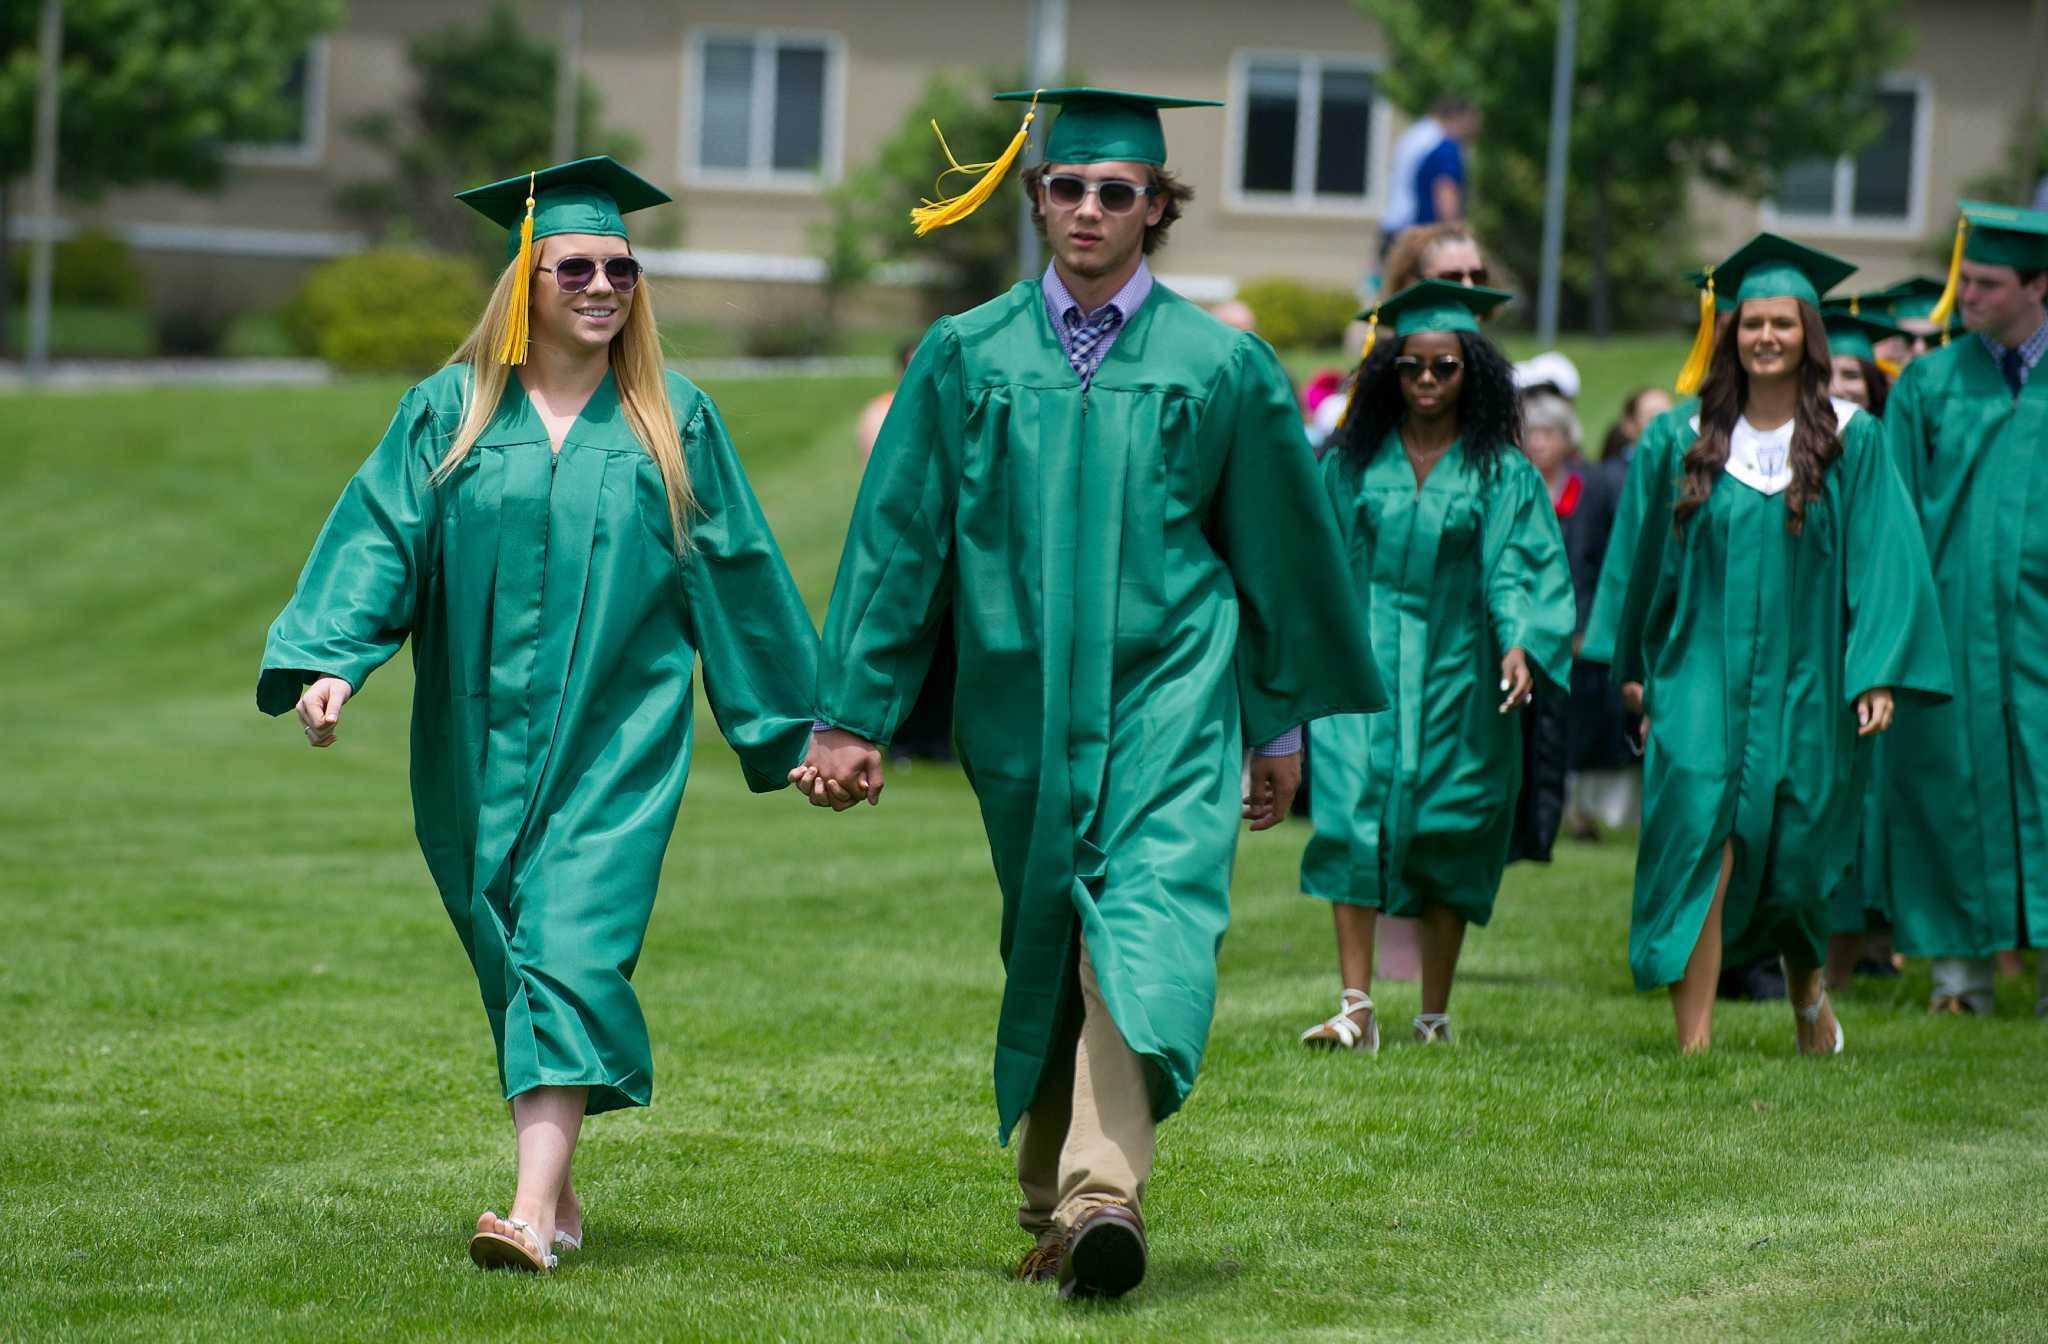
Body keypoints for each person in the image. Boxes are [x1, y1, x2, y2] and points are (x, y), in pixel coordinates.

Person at [793, 88, 1387, 1300]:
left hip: (1170, 694)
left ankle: (1102, 1191)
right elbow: (897, 543)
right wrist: (853, 715)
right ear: (1036, 197)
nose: (1087, 209)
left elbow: (1276, 549)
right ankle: (1050, 1193)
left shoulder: (1218, 365)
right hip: (1017, 705)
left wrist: (1274, 726)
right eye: (1066, 187)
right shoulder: (968, 357)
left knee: (1145, 920)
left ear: (1155, 208)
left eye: (1117, 191)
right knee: (1053, 928)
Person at [256, 157, 819, 1274]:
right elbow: (381, 543)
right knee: (510, 948)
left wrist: (797, 730)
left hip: (618, 741)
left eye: (622, 266)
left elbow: (740, 575)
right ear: (527, 279)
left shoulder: (674, 419)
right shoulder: (447, 412)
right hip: (471, 743)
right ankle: (557, 1193)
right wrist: (334, 661)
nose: (603, 284)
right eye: (576, 267)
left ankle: (522, 1216)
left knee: (570, 944)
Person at [1603, 233, 1951, 1054]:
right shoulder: (1679, 440)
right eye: (1751, 322)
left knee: (1796, 860)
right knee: (1700, 837)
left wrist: (1876, 673)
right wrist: (1635, 675)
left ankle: (1806, 997)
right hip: (1697, 678)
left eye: (1783, 325)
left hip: (1808, 678)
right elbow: (1639, 566)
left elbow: (1885, 560)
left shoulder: (1853, 438)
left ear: (1808, 337)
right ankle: (1694, 1046)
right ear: (1729, 333)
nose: (1765, 337)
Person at [1298, 281, 1573, 1051]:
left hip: (1461, 669)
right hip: (1365, 672)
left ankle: (1433, 1013)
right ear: (1388, 370)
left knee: (1447, 827)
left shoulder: (1503, 472)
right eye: (1411, 366)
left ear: (1472, 372)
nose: (1425, 380)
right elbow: (1316, 561)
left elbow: (1521, 565)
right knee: (1351, 820)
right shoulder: (1352, 464)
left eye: (1444, 367)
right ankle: (1355, 1005)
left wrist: (1521, 640)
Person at [1881, 199, 2048, 1017]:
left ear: (2038, 285)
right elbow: (1897, 517)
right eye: (1964, 278)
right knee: (1950, 793)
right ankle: (1959, 980)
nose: (1964, 297)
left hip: (2041, 634)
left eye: (1984, 283)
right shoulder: (1930, 383)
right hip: (1950, 636)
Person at [1522, 392, 1632, 840]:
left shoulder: (1591, 491)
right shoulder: (1515, 487)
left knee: (1578, 721)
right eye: (1530, 433)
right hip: (1523, 625)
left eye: (1547, 433)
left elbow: (1604, 561)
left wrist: (1591, 626)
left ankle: (1577, 811)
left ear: (1568, 440)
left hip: (1578, 625)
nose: (1537, 443)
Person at [1378, 96, 1480, 252]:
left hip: (1394, 222)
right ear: (1460, 117)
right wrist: (1454, 231)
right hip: (1420, 229)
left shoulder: (1415, 133)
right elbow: (1445, 188)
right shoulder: (1443, 142)